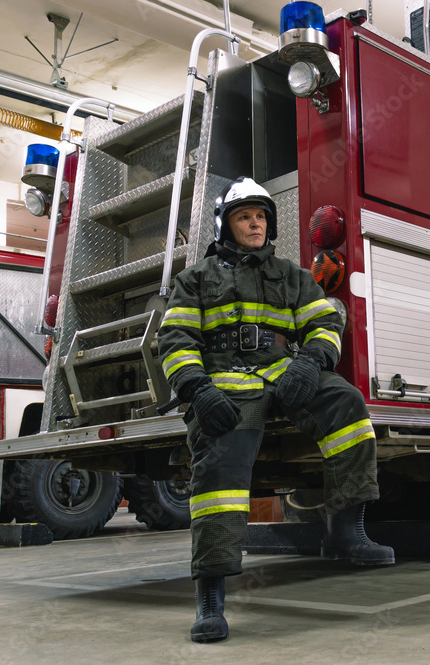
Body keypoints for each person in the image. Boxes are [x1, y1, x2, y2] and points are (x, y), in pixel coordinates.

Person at [158, 177, 394, 644]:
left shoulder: (293, 275)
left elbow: (325, 321)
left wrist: (309, 363)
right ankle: (211, 594)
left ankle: (348, 530)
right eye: (245, 216)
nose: (255, 224)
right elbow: (175, 339)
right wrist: (198, 391)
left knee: (346, 402)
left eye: (262, 216)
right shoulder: (196, 279)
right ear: (225, 224)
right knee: (219, 474)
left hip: (286, 373)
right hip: (225, 385)